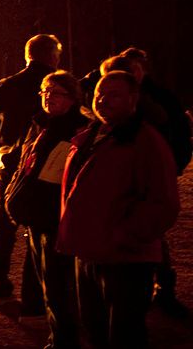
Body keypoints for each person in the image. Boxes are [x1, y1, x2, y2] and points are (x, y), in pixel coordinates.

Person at [58, 71, 180, 347]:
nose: (103, 100)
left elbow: (164, 204)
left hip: (125, 259)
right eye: (99, 94)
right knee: (95, 331)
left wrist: (123, 236)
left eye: (114, 95)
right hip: (88, 253)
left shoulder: (146, 142)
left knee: (124, 335)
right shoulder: (91, 136)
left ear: (133, 99)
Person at [8, 71, 88, 349]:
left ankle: (64, 340)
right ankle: (58, 336)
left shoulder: (79, 131)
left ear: (73, 98)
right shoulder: (42, 125)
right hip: (36, 217)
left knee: (58, 285)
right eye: (45, 91)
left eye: (56, 93)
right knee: (47, 281)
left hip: (56, 219)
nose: (49, 97)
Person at [0, 34, 60, 313]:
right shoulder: (56, 88)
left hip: (9, 167)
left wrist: (5, 152)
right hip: (43, 169)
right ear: (53, 56)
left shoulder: (3, 86)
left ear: (27, 56)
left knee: (3, 228)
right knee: (38, 231)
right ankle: (35, 296)